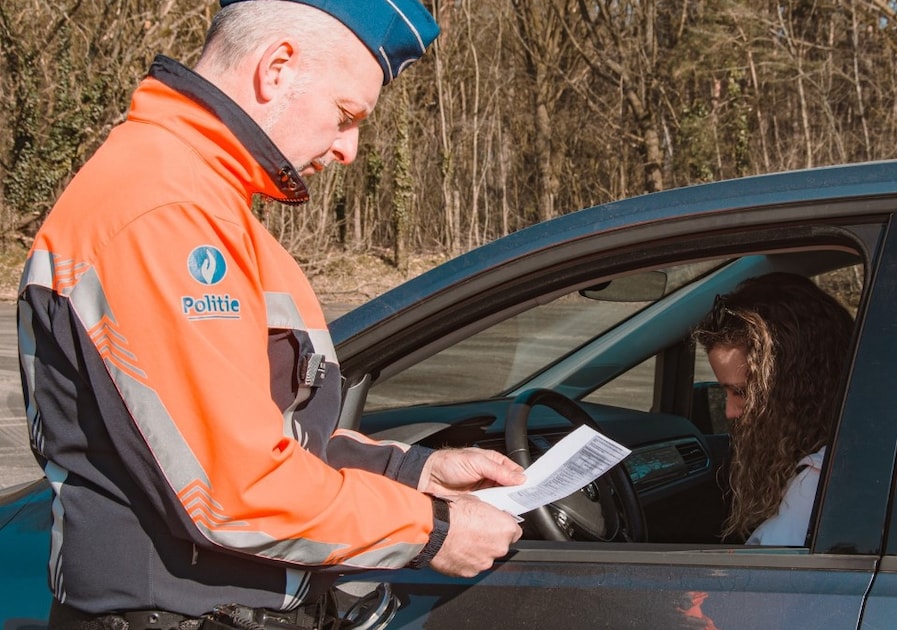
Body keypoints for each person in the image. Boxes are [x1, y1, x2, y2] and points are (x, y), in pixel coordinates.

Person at [16, 0, 525, 626]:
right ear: (276, 67)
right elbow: (235, 492)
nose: (349, 150)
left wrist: (414, 471)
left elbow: (267, 441)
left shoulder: (207, 204)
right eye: (345, 115)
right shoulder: (165, 213)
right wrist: (431, 528)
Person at [691, 272, 854, 546]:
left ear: (795, 388)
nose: (730, 411)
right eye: (725, 391)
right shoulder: (845, 458)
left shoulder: (814, 485)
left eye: (742, 392)